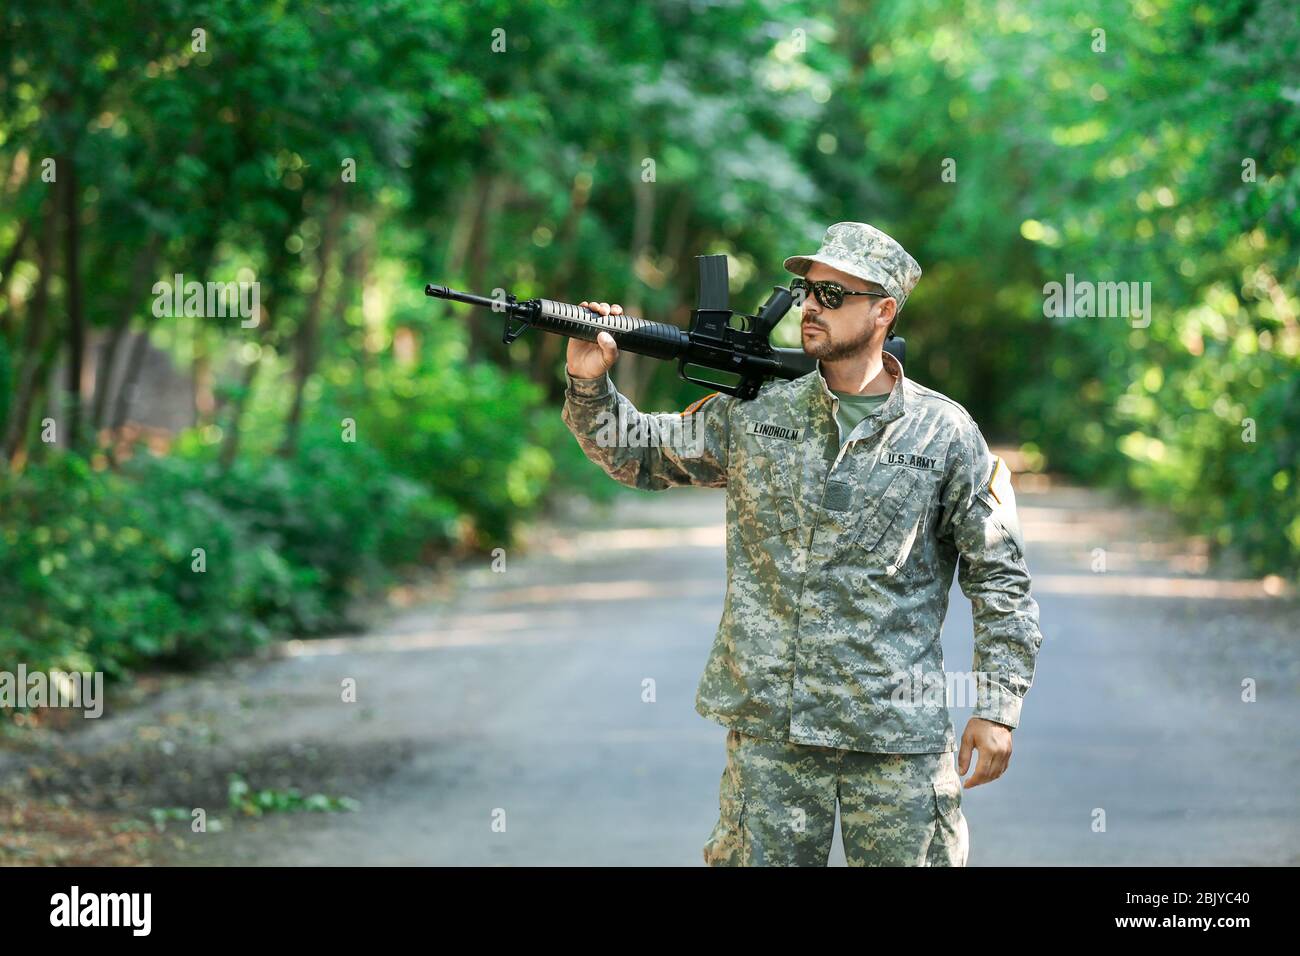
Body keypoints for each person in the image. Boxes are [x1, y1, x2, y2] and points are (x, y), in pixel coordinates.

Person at [561, 221, 1044, 866]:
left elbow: (999, 576)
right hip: (773, 734)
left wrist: (997, 706)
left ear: (883, 312)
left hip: (895, 737)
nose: (812, 306)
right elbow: (640, 454)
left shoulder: (944, 433)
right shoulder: (758, 411)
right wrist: (589, 381)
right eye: (807, 290)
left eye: (833, 295)